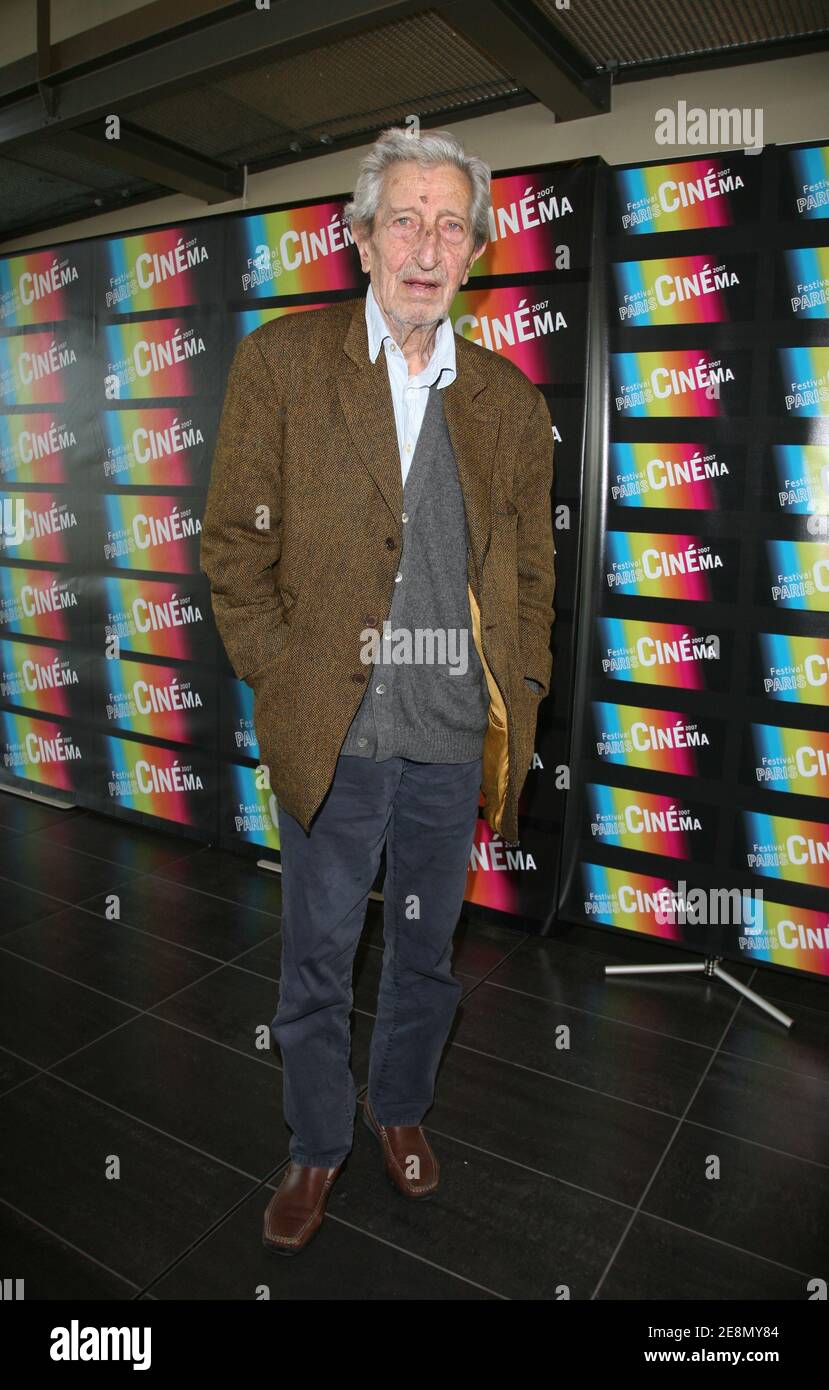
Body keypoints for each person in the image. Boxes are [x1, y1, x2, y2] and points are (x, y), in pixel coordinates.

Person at [200, 125, 556, 1255]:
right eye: (403, 217)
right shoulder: (282, 363)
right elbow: (229, 548)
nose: (425, 242)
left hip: (453, 734)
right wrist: (282, 671)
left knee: (423, 951)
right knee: (313, 956)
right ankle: (315, 1141)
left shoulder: (504, 396)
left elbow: (532, 573)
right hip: (336, 731)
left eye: (450, 223)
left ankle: (396, 1105)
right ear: (359, 238)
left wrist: (526, 673)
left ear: (473, 253)